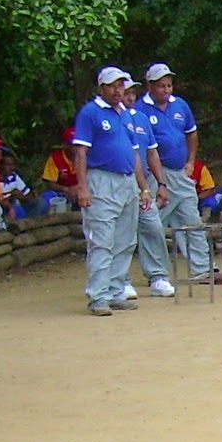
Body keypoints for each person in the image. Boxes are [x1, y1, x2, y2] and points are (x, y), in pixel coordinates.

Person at [72, 66, 148, 316]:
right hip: (102, 180)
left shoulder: (125, 114)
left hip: (126, 181)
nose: (118, 90)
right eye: (113, 86)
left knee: (125, 240)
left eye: (121, 86)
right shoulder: (90, 112)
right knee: (102, 240)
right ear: (101, 88)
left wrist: (143, 187)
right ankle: (98, 296)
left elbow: (135, 153)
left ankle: (116, 291)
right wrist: (83, 186)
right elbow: (81, 152)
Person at [140, 62, 218, 285]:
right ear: (150, 86)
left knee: (191, 218)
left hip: (180, 172)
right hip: (157, 174)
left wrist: (191, 161)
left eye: (169, 85)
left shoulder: (180, 105)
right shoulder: (140, 109)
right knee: (152, 223)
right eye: (161, 86)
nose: (166, 90)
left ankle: (202, 268)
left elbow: (191, 133)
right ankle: (156, 273)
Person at [120, 83, 175, 298]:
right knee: (123, 232)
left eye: (133, 93)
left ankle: (158, 276)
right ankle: (121, 280)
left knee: (153, 226)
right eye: (126, 93)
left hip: (144, 183)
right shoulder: (115, 118)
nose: (131, 97)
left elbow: (152, 153)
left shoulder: (142, 118)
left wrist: (161, 183)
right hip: (123, 181)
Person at [40, 127, 80, 212]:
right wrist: (66, 189)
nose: (76, 147)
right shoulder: (55, 158)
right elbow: (50, 183)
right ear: (65, 145)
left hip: (82, 189)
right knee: (46, 198)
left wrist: (78, 188)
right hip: (62, 192)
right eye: (73, 144)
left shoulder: (86, 156)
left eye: (78, 143)